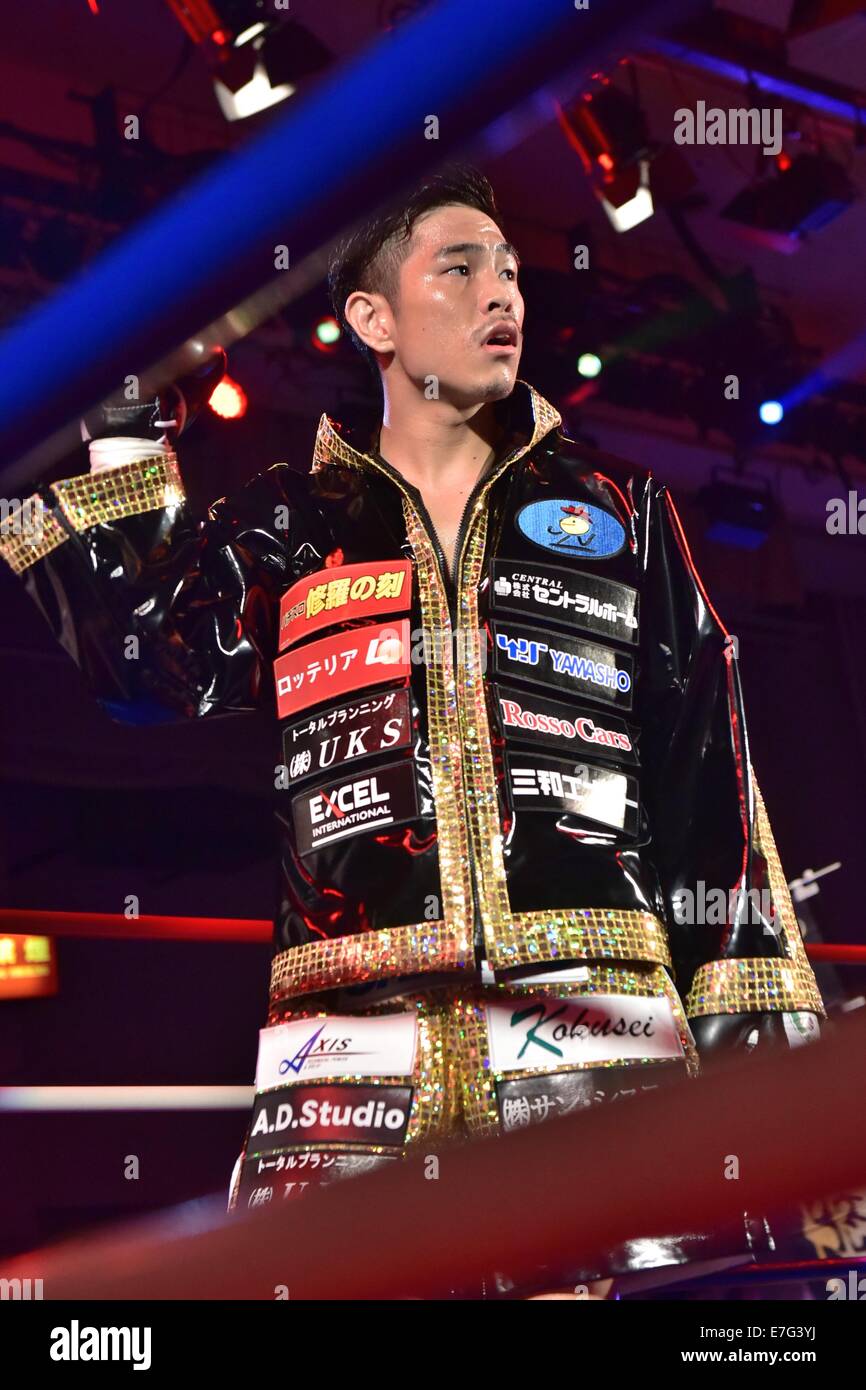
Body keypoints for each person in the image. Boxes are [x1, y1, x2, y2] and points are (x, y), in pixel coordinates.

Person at [0, 165, 825, 1299]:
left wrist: (762, 1114)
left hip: (597, 1049)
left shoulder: (626, 516)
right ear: (372, 318)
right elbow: (145, 662)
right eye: (462, 266)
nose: (505, 296)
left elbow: (713, 804)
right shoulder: (291, 522)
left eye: (513, 270)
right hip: (348, 1069)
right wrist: (123, 418)